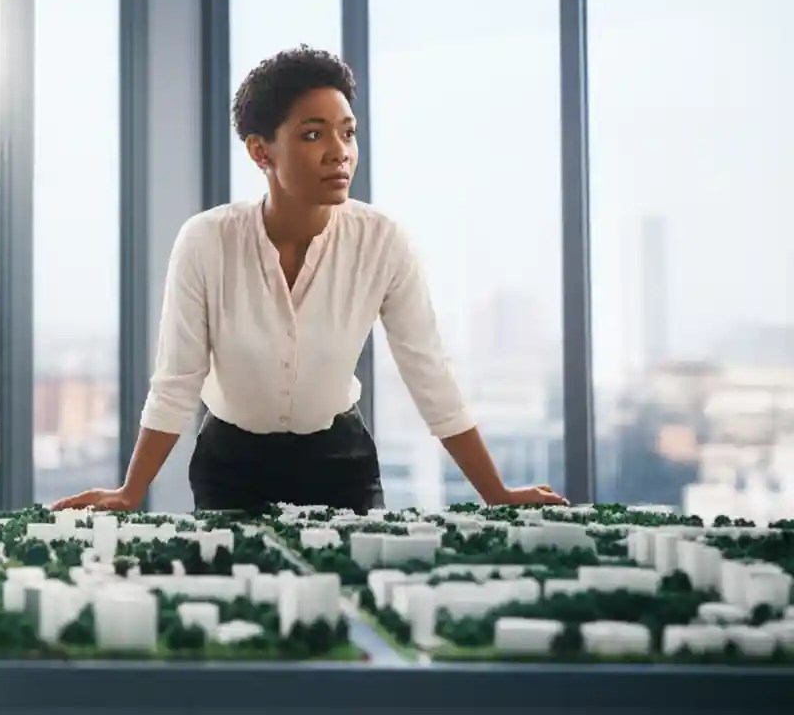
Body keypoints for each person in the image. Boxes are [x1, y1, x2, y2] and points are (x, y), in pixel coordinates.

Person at [51, 46, 567, 514]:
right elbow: (177, 381)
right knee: (240, 613)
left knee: (347, 608)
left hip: (340, 461)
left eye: (348, 131)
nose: (339, 151)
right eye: (313, 134)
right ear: (261, 152)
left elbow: (429, 375)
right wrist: (130, 491)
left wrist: (496, 494)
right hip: (231, 465)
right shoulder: (206, 241)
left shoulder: (382, 241)